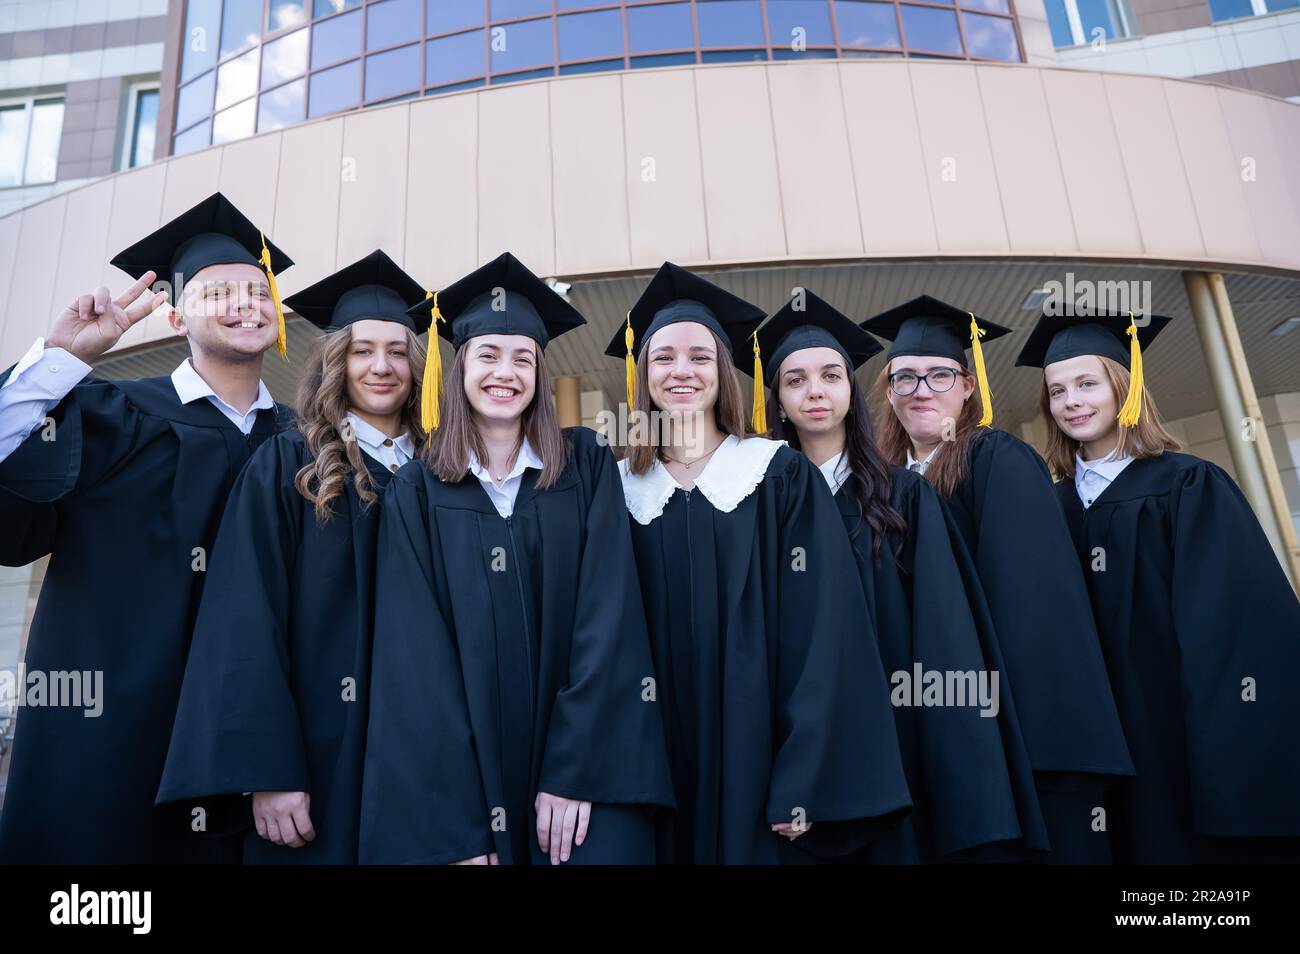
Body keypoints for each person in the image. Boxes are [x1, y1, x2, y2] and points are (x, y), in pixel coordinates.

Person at [0, 192, 295, 863]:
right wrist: (60, 360)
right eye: (217, 290)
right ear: (173, 312)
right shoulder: (111, 414)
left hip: (259, 752)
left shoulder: (307, 444)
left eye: (258, 290)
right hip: (112, 738)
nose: (244, 302)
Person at [360, 252, 674, 865]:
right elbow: (414, 662)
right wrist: (453, 825)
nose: (506, 373)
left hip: (584, 774)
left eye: (523, 359)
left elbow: (609, 616)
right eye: (488, 356)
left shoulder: (583, 464)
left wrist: (577, 766)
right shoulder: (417, 492)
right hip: (469, 779)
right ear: (458, 369)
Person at [604, 263, 911, 865]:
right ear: (643, 377)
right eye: (663, 357)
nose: (682, 371)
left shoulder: (777, 474)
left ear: (724, 370)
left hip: (758, 759)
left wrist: (805, 776)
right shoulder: (615, 490)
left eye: (700, 355)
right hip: (645, 763)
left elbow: (823, 633)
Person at [156, 249, 432, 864]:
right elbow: (244, 616)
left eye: (396, 352)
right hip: (317, 753)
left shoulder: (446, 476)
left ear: (420, 366)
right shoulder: (291, 465)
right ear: (336, 362)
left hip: (426, 753)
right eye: (362, 351)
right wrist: (269, 768)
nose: (381, 367)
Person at [755, 289, 1047, 863]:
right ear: (778, 402)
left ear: (854, 391)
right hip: (789, 746)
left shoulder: (903, 496)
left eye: (832, 375)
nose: (815, 391)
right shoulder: (755, 499)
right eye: (795, 381)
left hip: (896, 737)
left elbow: (943, 638)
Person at [1016, 307, 1300, 863]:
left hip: (1176, 726)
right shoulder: (1045, 507)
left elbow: (1236, 625)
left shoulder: (1187, 484)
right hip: (1090, 732)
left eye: (1087, 384)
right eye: (1057, 391)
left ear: (1126, 388)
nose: (1071, 400)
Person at [861, 294, 1133, 864]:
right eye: (903, 378)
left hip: (1009, 725)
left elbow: (1036, 603)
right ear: (887, 393)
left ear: (967, 384)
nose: (920, 389)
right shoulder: (883, 483)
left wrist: (1023, 736)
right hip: (929, 713)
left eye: (939, 374)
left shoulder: (996, 459)